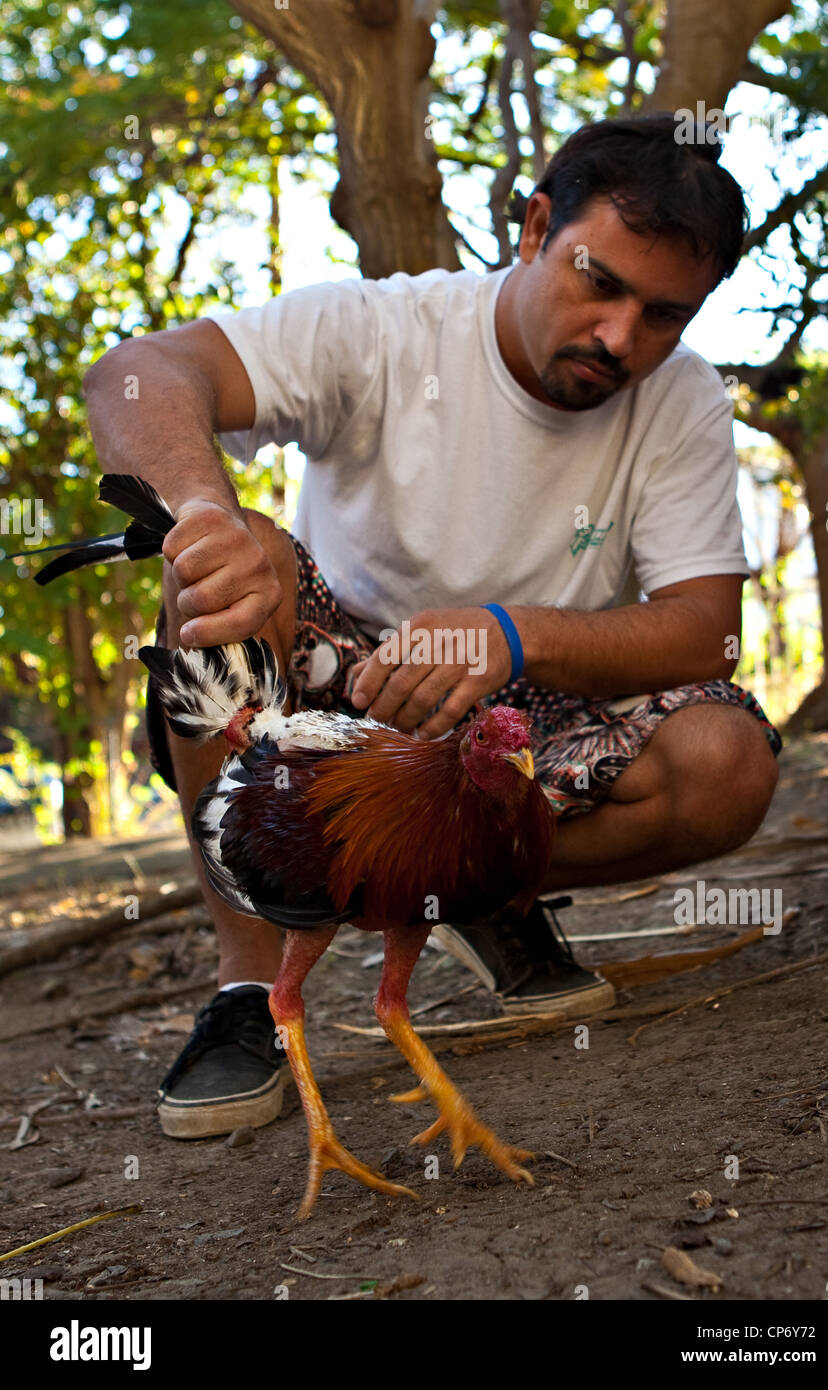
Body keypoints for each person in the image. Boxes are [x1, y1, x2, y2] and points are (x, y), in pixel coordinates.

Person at [83, 113, 781, 1140]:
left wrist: (508, 633)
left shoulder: (679, 403)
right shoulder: (380, 327)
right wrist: (199, 512)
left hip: (517, 724)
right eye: (599, 283)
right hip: (331, 704)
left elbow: (704, 633)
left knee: (727, 762)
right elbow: (133, 375)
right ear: (534, 225)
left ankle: (470, 895)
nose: (620, 339)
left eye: (664, 315)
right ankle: (245, 991)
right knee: (235, 568)